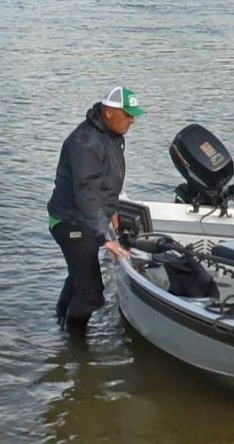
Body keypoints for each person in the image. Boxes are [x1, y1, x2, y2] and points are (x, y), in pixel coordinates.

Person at [47, 86, 145, 337]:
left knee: (77, 278)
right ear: (109, 112)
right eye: (127, 114)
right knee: (91, 295)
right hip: (70, 222)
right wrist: (106, 236)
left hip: (88, 219)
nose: (132, 120)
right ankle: (75, 344)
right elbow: (86, 191)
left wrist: (112, 211)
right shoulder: (85, 143)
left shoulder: (111, 135)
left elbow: (106, 181)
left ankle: (59, 322)